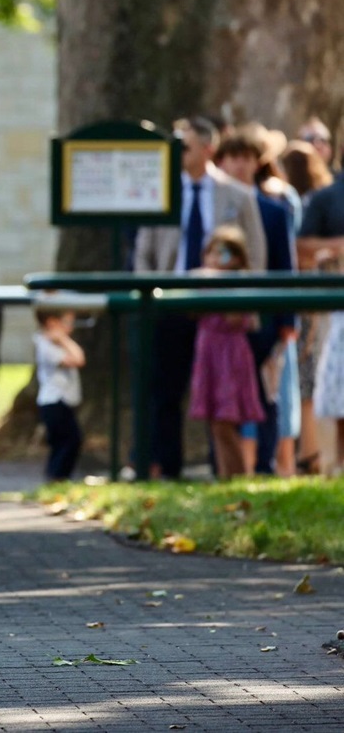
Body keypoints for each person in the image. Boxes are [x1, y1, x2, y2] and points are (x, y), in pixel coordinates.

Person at [131, 116, 265, 479]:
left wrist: (244, 305)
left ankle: (222, 470)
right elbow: (143, 252)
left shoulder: (236, 194)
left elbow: (255, 252)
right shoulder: (160, 192)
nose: (178, 154)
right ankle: (168, 470)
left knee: (221, 396)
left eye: (185, 146)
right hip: (171, 304)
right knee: (166, 391)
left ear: (207, 149)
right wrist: (153, 296)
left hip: (221, 311)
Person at [215, 127, 296, 476]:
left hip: (261, 316)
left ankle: (264, 463)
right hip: (220, 318)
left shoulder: (274, 211)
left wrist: (287, 321)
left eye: (246, 158)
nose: (239, 165)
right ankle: (224, 464)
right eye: (233, 158)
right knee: (219, 391)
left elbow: (284, 267)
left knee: (265, 392)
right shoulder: (215, 206)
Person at [187, 226, 264, 478]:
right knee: (215, 422)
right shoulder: (200, 281)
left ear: (238, 258)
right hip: (207, 352)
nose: (216, 258)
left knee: (225, 419)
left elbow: (238, 320)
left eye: (224, 253)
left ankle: (238, 474)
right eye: (212, 252)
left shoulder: (240, 284)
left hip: (230, 355)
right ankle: (226, 475)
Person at [281, 141, 334, 474]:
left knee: (309, 379)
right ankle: (309, 454)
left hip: (311, 300)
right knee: (306, 379)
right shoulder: (317, 201)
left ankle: (311, 455)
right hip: (311, 299)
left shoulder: (310, 203)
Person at [296, 159, 344, 477]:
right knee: (337, 389)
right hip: (335, 309)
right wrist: (336, 246)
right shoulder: (327, 197)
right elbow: (302, 244)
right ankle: (335, 463)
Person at [34, 307, 85, 482]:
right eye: (67, 322)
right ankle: (58, 477)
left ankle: (56, 477)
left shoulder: (53, 344)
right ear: (52, 323)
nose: (71, 326)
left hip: (61, 401)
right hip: (54, 401)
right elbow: (78, 359)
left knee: (63, 441)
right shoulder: (46, 345)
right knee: (70, 440)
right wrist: (64, 339)